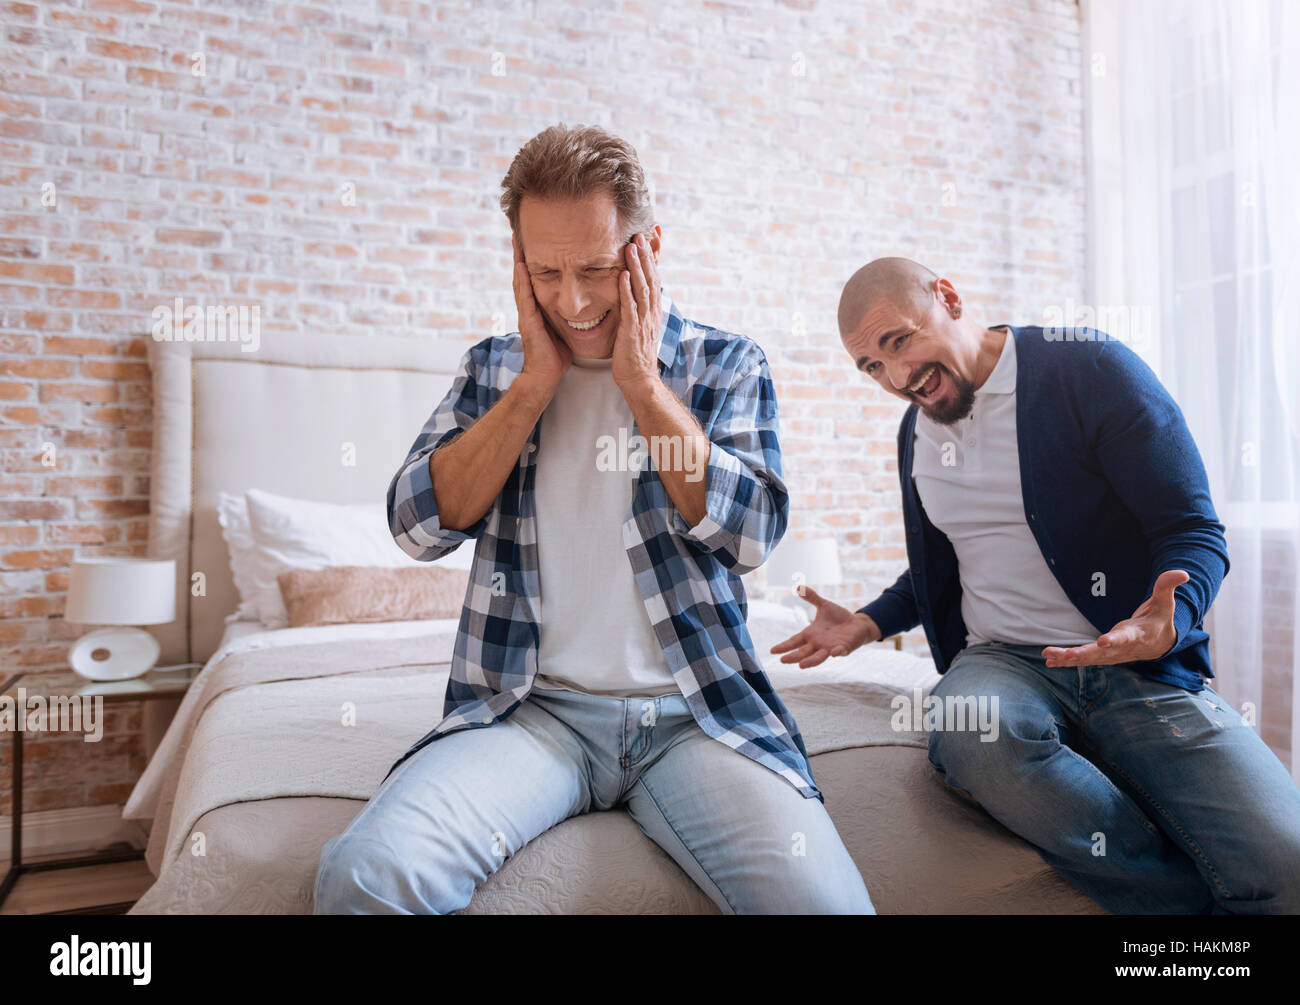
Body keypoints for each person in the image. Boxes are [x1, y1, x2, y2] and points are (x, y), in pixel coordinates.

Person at [313, 124, 871, 915]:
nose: (572, 301)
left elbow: (750, 539)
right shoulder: (493, 370)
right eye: (546, 271)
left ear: (647, 248)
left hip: (695, 715)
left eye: (596, 270)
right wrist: (534, 385)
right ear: (517, 260)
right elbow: (417, 527)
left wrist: (642, 386)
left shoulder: (725, 364)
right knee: (365, 873)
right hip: (529, 714)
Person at [772, 256, 1300, 913]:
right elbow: (945, 565)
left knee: (1286, 864)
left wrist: (1170, 616)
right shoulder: (915, 433)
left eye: (899, 341)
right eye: (872, 367)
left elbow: (1190, 527)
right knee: (973, 730)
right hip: (1004, 664)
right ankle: (1179, 909)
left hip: (1132, 661)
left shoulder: (1088, 370)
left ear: (950, 297)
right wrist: (871, 621)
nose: (897, 377)